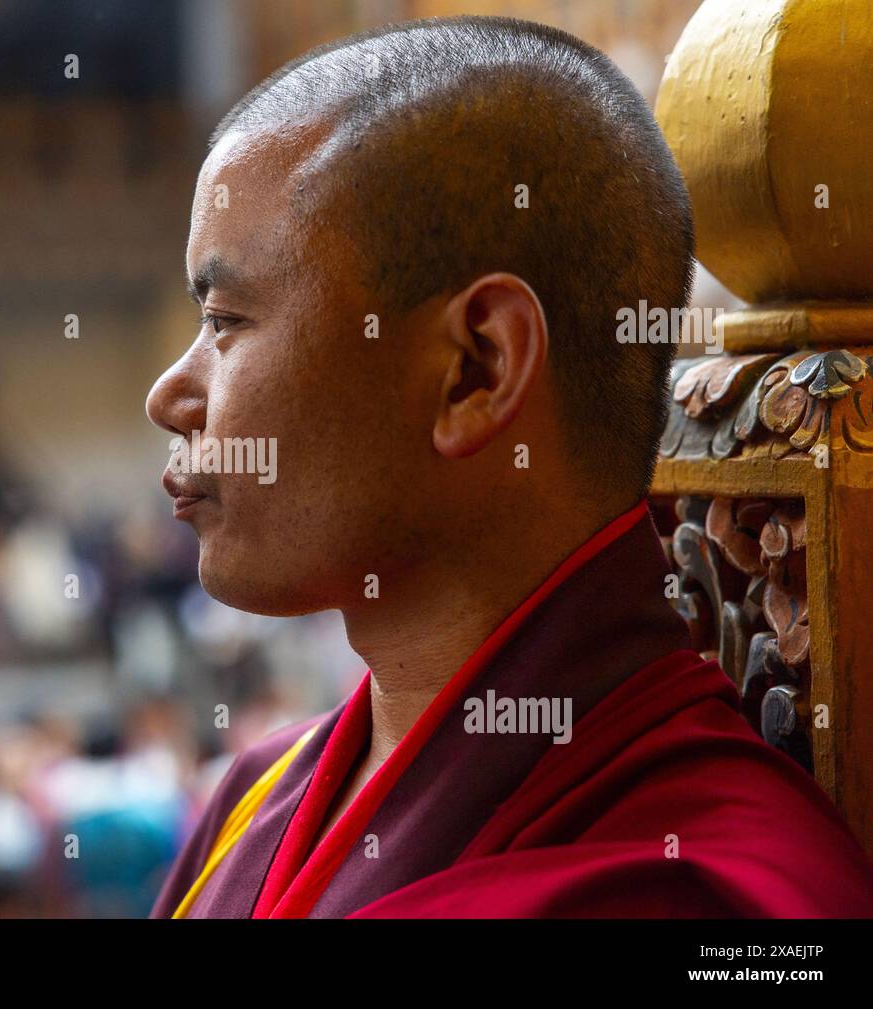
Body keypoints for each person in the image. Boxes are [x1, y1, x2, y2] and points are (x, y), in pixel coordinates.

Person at [144, 16, 873, 918]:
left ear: (475, 369)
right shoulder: (253, 800)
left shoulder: (687, 895)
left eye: (225, 321)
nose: (170, 395)